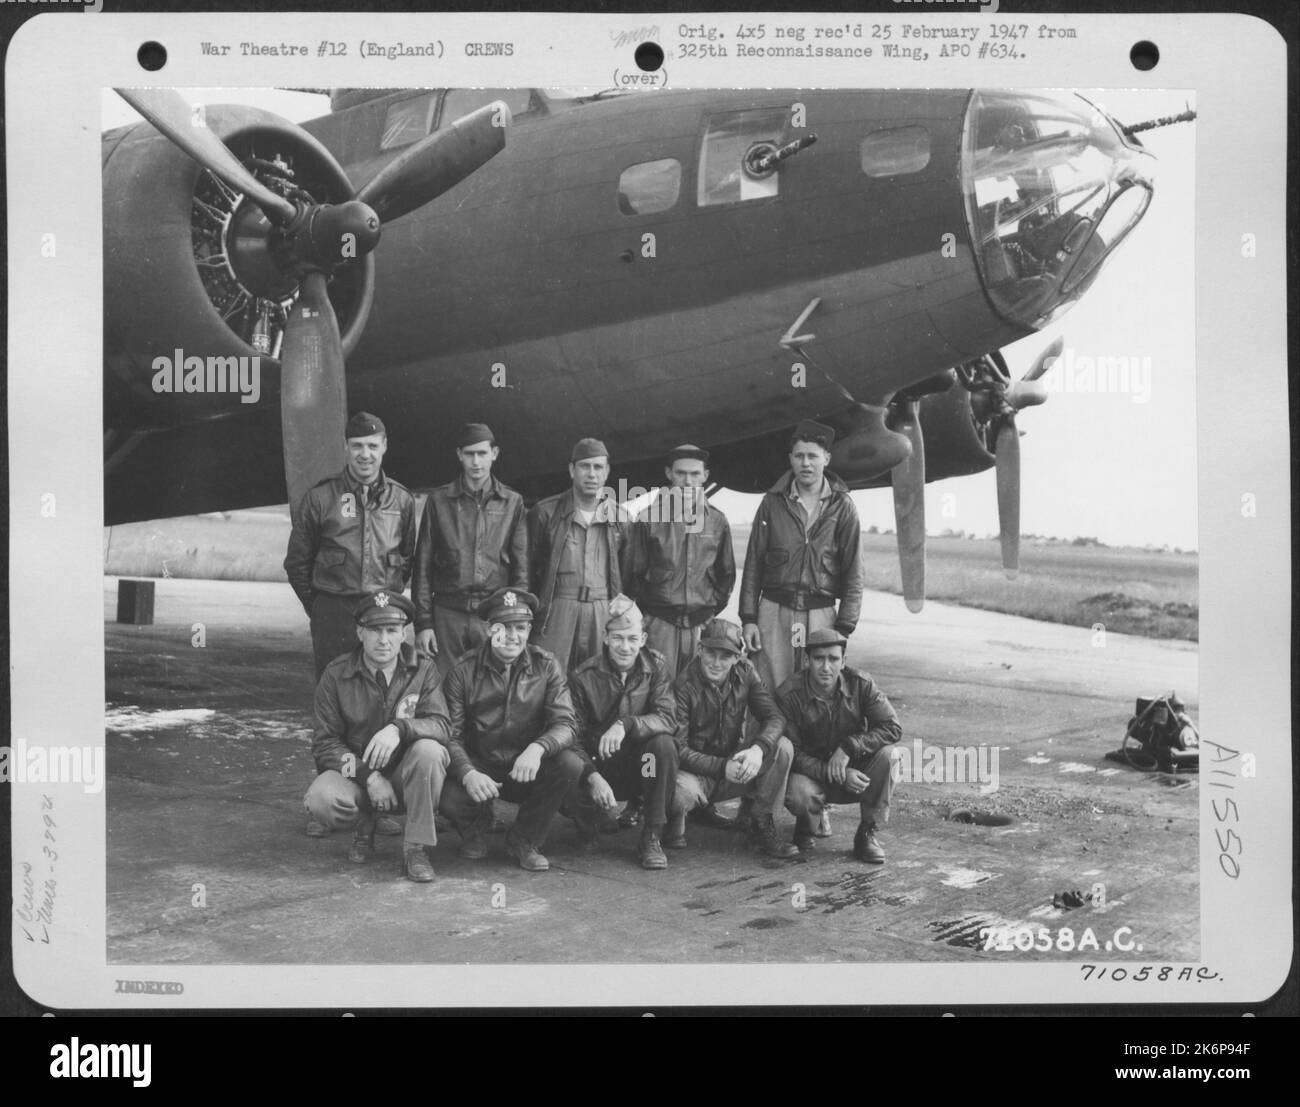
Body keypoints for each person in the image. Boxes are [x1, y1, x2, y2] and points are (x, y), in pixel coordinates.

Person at [284, 411, 419, 838]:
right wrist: (321, 606)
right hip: (335, 613)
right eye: (357, 446)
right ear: (346, 448)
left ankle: (381, 803)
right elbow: (297, 562)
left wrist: (389, 614)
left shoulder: (402, 500)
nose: (365, 454)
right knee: (332, 704)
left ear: (385, 448)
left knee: (385, 701)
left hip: (381, 615)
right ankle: (326, 800)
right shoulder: (321, 498)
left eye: (372, 446)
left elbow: (409, 561)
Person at [738, 418, 864, 837]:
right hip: (774, 612)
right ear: (790, 459)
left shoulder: (842, 507)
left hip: (820, 616)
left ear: (827, 459)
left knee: (818, 703)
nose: (805, 463)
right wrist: (749, 618)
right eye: (798, 455)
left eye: (813, 456)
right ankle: (754, 800)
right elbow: (754, 562)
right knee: (768, 700)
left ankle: (816, 803)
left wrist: (842, 627)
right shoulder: (772, 503)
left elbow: (854, 571)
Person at [302, 591, 453, 883]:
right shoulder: (336, 675)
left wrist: (399, 728)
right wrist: (369, 777)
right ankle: (363, 825)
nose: (383, 640)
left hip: (404, 774)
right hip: (356, 777)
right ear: (360, 632)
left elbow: (441, 725)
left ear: (403, 633)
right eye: (374, 630)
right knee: (321, 798)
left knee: (430, 753)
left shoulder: (423, 669)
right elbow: (325, 743)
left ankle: (415, 848)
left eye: (391, 630)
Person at [439, 588, 583, 872]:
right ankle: (475, 828)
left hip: (524, 767)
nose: (511, 636)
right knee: (445, 783)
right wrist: (468, 773)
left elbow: (567, 723)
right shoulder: (462, 671)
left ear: (529, 630)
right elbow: (450, 735)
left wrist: (537, 748)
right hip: (480, 766)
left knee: (570, 764)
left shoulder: (546, 665)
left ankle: (524, 840)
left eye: (519, 627)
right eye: (502, 627)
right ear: (489, 629)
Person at [665, 618, 799, 859]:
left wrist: (758, 749)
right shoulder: (683, 685)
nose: (716, 663)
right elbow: (679, 749)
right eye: (710, 653)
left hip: (730, 764)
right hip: (696, 772)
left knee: (782, 747)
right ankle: (681, 817)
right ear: (699, 649)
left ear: (738, 657)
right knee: (678, 794)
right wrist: (721, 766)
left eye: (725, 656)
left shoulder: (746, 672)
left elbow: (775, 717)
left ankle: (760, 822)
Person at [567, 595, 679, 870]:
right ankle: (591, 818)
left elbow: (668, 718)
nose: (625, 647)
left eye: (632, 639)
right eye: (618, 638)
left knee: (662, 746)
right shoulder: (583, 676)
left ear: (642, 639)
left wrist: (626, 724)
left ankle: (652, 835)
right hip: (598, 766)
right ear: (605, 638)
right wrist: (593, 778)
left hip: (641, 769)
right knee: (566, 764)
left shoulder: (657, 667)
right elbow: (573, 736)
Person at [412, 422, 529, 676]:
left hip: (492, 615)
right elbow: (422, 567)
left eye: (482, 453)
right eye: (469, 454)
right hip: (447, 615)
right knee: (443, 690)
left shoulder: (512, 502)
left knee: (491, 689)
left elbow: (521, 568)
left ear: (494, 454)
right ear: (459, 455)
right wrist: (424, 623)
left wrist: (513, 620)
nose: (476, 462)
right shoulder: (439, 501)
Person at [777, 628, 902, 863]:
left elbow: (892, 727)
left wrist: (849, 747)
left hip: (854, 768)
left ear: (843, 661)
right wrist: (839, 774)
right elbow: (793, 753)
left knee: (891, 755)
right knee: (799, 793)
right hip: (812, 774)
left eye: (833, 659)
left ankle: (867, 832)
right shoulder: (789, 694)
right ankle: (807, 823)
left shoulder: (861, 684)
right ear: (806, 660)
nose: (826, 667)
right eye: (818, 658)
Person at [625, 444, 735, 678]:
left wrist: (709, 613)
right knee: (656, 686)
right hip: (658, 623)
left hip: (699, 625)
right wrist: (647, 616)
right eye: (681, 473)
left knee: (694, 692)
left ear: (705, 476)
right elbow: (633, 573)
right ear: (669, 474)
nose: (688, 481)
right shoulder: (648, 519)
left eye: (695, 474)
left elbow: (726, 574)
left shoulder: (717, 520)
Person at [527, 437, 632, 671]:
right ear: (572, 470)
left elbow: (628, 575)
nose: (591, 474)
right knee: (547, 677)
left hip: (602, 611)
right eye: (585, 466)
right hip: (556, 611)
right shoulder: (545, 513)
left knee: (596, 680)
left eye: (598, 467)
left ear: (607, 472)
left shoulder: (621, 519)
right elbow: (529, 569)